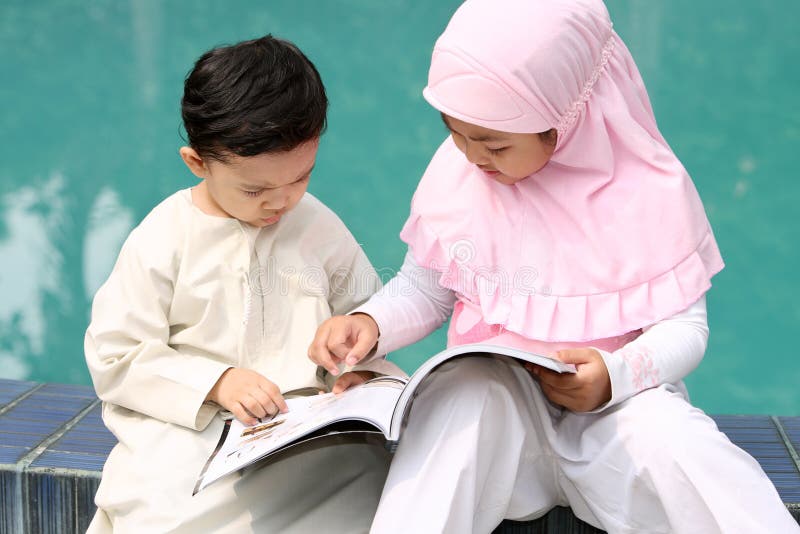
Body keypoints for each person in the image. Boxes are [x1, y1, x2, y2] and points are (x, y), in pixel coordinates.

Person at [308, 1, 800, 532]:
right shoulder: (462, 175)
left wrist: (615, 376)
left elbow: (686, 329)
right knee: (457, 409)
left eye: (495, 144)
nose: (473, 157)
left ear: (567, 120)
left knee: (683, 448)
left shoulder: (648, 193)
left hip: (616, 413)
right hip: (502, 420)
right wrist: (373, 323)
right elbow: (426, 290)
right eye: (456, 133)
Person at [85, 35, 402, 533]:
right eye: (254, 189)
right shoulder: (164, 237)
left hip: (311, 443)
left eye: (301, 178)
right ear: (197, 163)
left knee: (371, 484)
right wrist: (216, 382)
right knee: (165, 510)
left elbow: (369, 317)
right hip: (194, 440)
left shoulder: (317, 226)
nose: (281, 202)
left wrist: (357, 371)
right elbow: (116, 354)